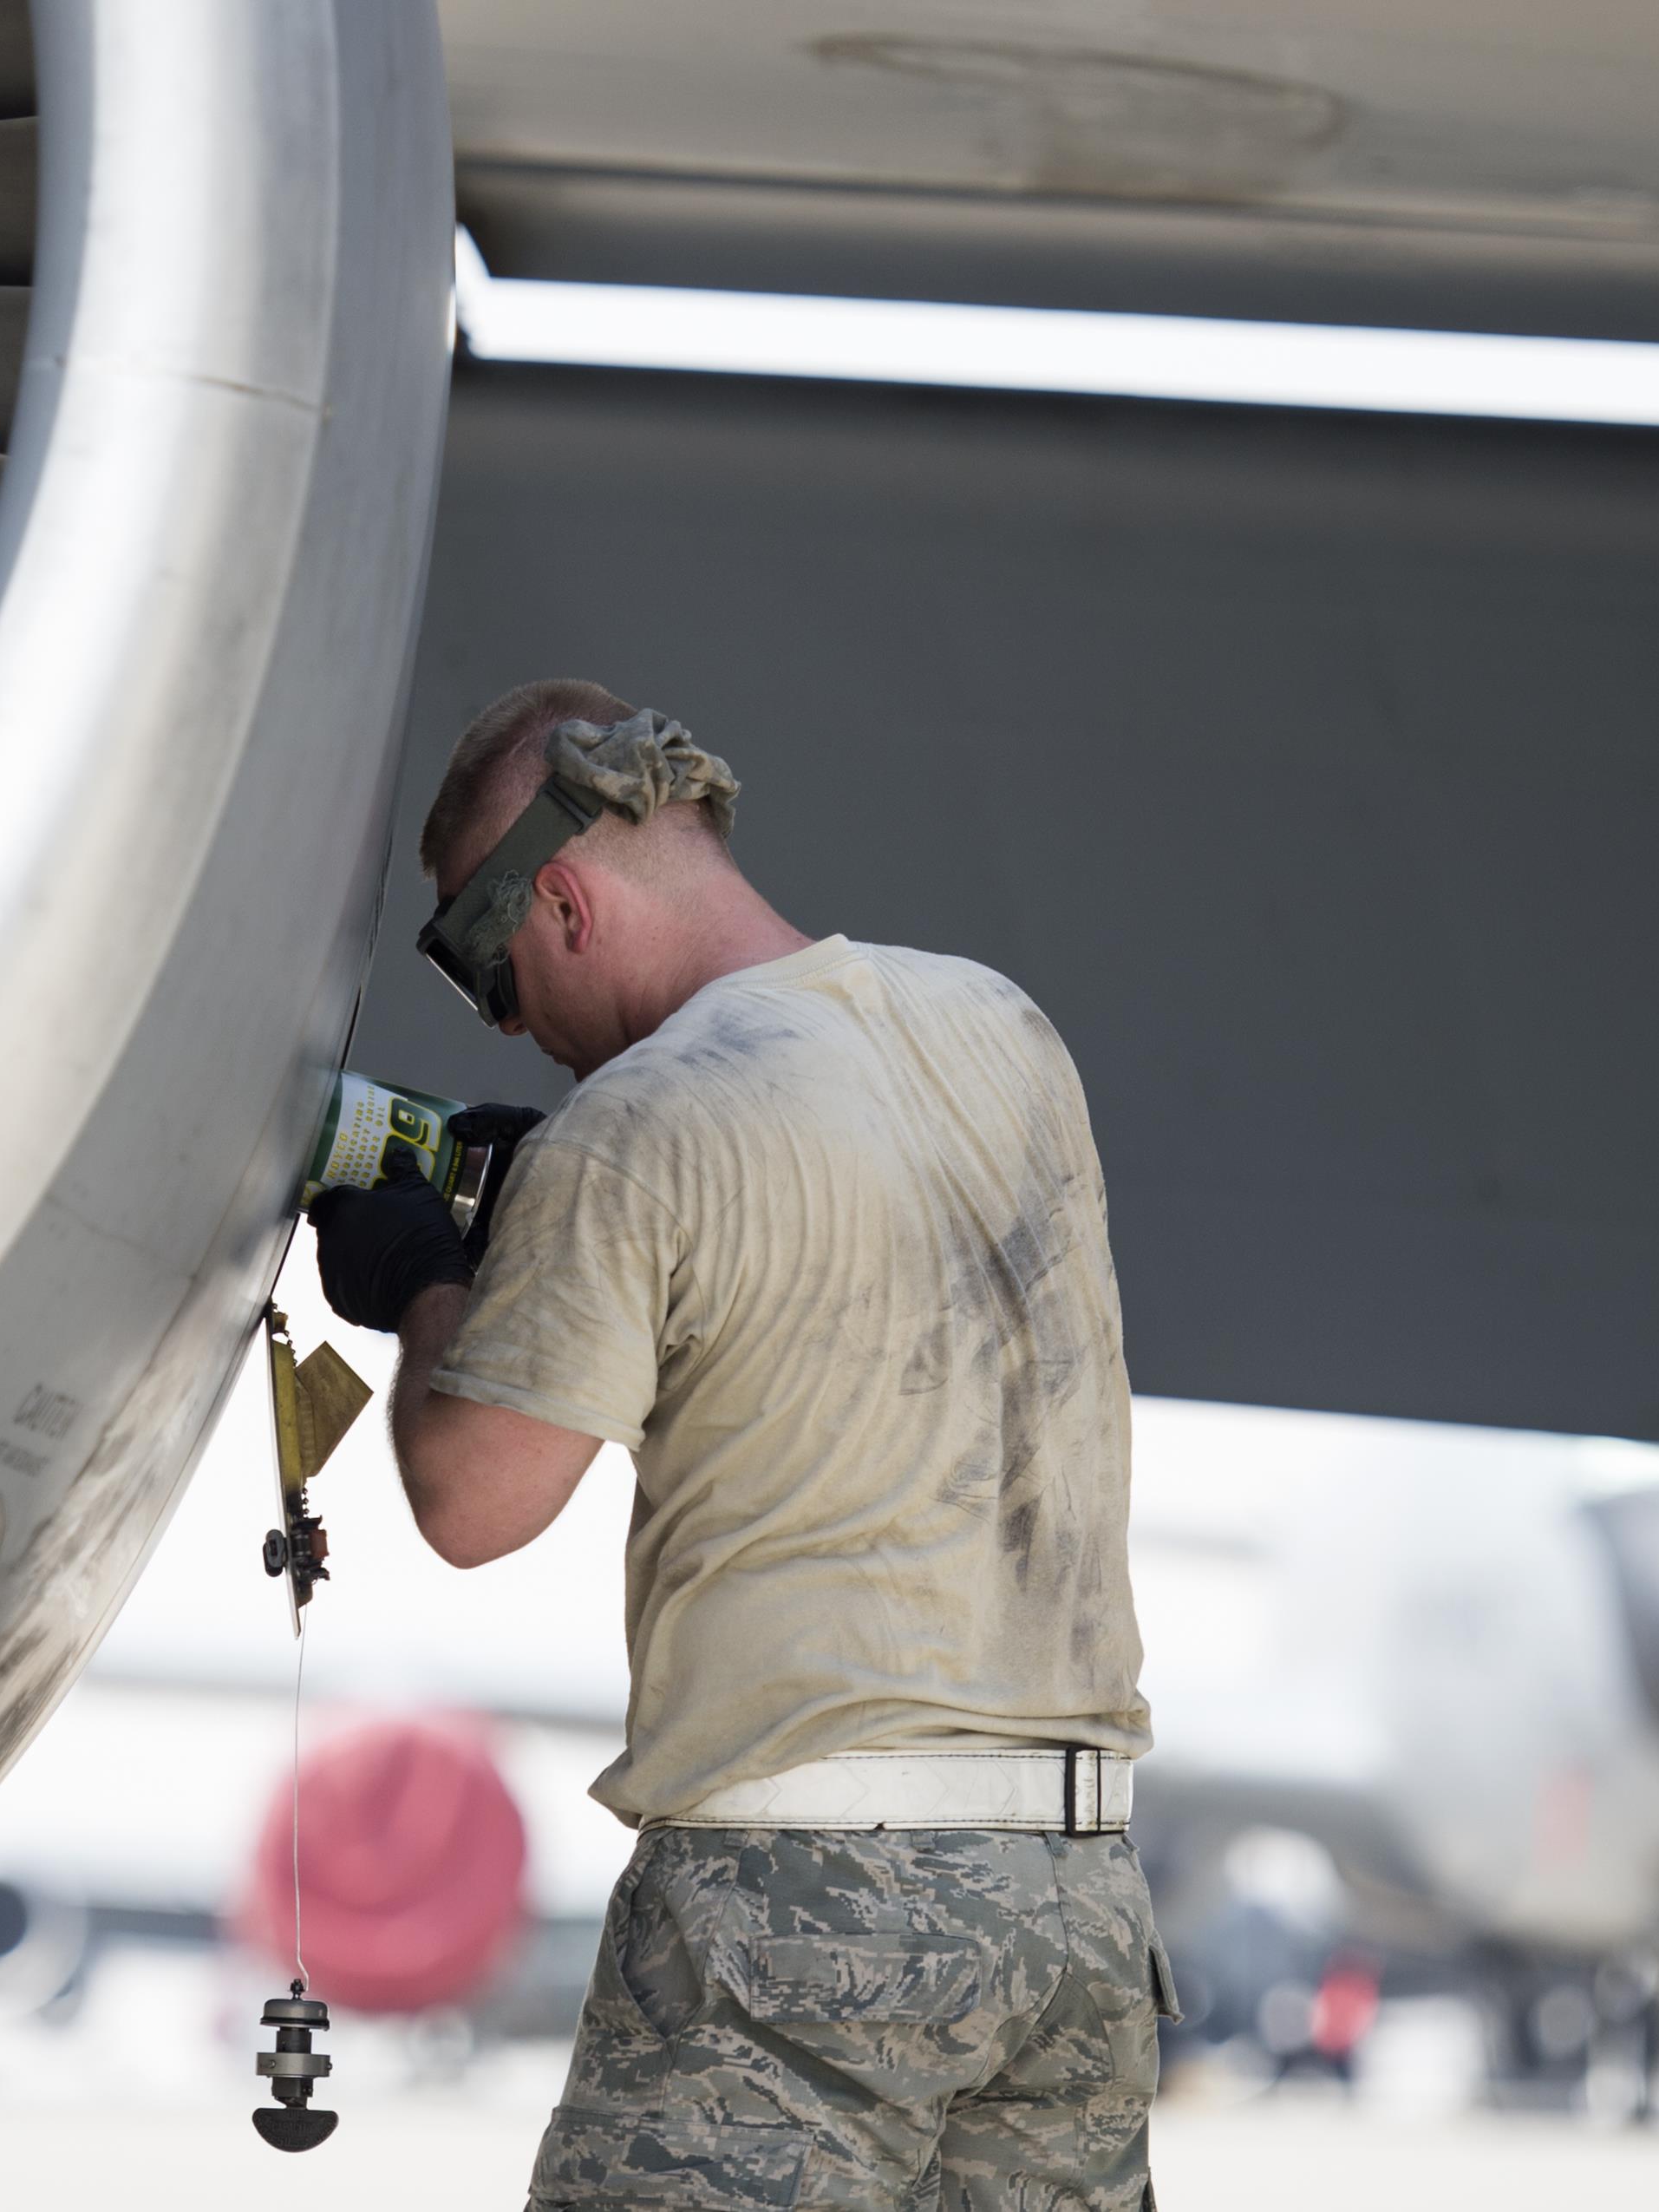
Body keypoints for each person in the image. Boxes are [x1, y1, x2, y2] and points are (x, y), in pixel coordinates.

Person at [309, 678, 1171, 2209]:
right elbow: (820, 1289)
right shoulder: (999, 1028)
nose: (516, 1029)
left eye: (491, 975)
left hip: (806, 1910)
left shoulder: (640, 1128)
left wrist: (426, 1278)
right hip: (1075, 1897)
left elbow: (472, 1500)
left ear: (561, 900)